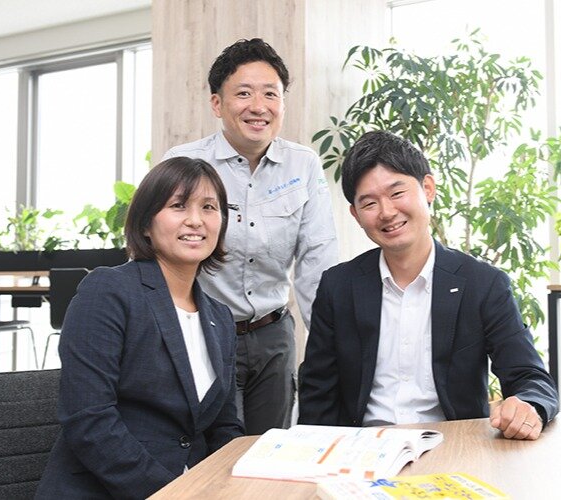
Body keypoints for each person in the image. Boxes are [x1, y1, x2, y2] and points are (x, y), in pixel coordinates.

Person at [297, 131, 558, 440]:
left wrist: (528, 405)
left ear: (428, 188)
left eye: (397, 193)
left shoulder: (483, 284)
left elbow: (530, 377)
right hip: (364, 448)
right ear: (355, 214)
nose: (387, 212)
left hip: (454, 446)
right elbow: (318, 394)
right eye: (369, 203)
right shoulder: (338, 287)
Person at [36, 157, 243, 499]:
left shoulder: (219, 318)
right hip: (108, 491)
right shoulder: (108, 291)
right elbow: (89, 419)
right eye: (178, 205)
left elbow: (224, 426)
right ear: (146, 223)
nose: (196, 220)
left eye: (209, 207)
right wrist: (173, 493)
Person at [163, 38, 338, 435]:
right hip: (204, 330)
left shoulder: (303, 165)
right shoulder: (184, 163)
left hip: (273, 333)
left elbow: (317, 262)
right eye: (243, 93)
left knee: (271, 448)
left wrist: (328, 347)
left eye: (270, 94)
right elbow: (161, 256)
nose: (259, 106)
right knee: (213, 449)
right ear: (217, 104)